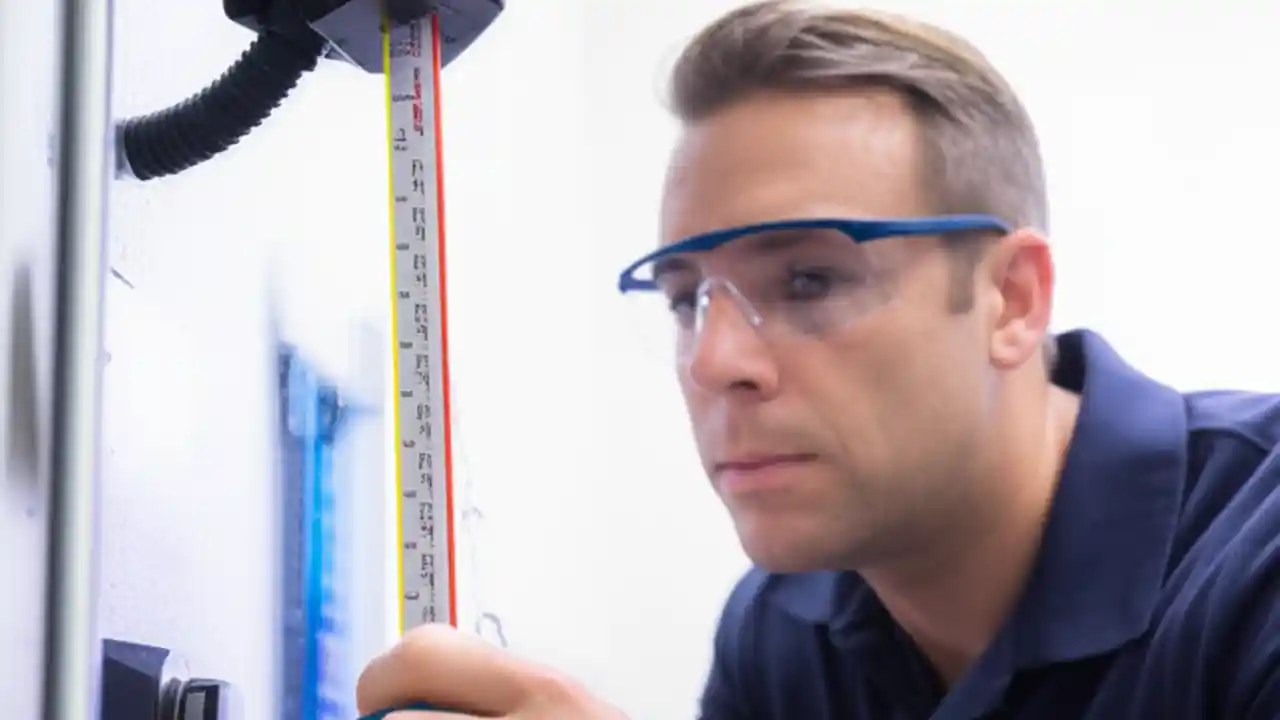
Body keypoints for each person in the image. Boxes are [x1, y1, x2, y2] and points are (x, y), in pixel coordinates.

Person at [355, 1, 1280, 718]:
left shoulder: (1256, 564)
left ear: (1012, 299)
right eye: (686, 300)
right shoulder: (781, 629)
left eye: (807, 280)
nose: (716, 360)